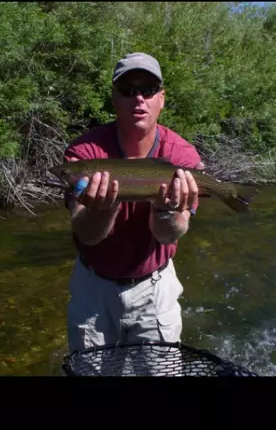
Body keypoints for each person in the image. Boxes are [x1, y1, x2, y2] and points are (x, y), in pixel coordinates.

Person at [62, 52, 205, 359]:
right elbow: (86, 235)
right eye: (128, 90)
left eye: (148, 90)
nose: (138, 98)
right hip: (93, 286)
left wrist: (166, 210)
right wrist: (103, 208)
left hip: (155, 287)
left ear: (162, 99)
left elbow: (170, 235)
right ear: (114, 98)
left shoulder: (181, 156)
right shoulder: (84, 154)